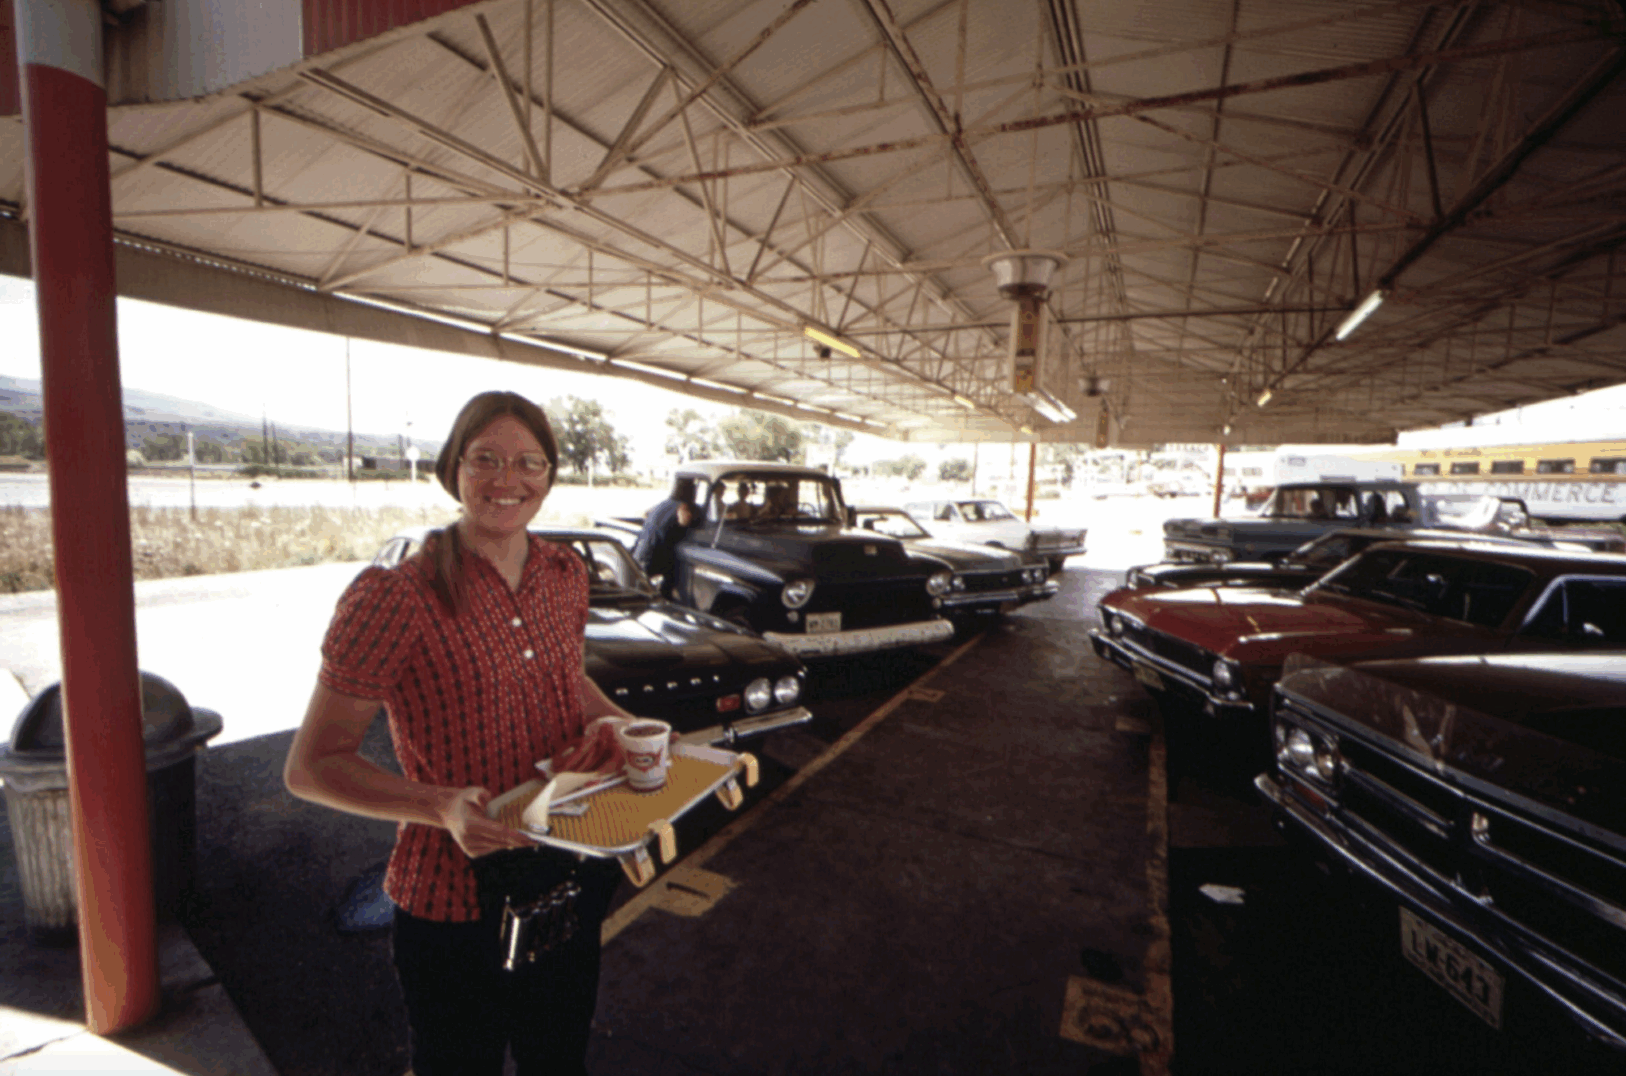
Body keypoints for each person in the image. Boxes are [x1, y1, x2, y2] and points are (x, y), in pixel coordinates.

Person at [284, 391, 635, 1076]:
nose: (509, 481)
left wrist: (621, 724)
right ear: (455, 469)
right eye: (487, 460)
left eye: (530, 462)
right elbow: (312, 766)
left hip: (569, 867)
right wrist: (438, 806)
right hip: (454, 903)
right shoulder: (395, 595)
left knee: (558, 1059)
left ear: (550, 475)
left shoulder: (564, 575)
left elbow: (568, 682)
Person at [631, 478, 695, 598]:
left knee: (640, 588)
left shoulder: (662, 503)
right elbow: (684, 521)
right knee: (669, 581)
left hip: (643, 548)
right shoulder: (682, 506)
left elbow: (645, 513)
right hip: (657, 553)